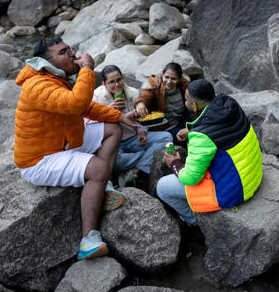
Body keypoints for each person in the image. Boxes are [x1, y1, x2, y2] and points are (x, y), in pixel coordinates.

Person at [14, 37, 139, 261]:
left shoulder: (53, 77)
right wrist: (88, 68)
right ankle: (88, 240)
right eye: (63, 52)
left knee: (112, 129)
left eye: (70, 48)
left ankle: (104, 187)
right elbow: (76, 103)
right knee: (98, 169)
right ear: (46, 61)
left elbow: (84, 107)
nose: (72, 54)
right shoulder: (37, 85)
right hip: (39, 159)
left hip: (61, 142)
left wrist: (119, 116)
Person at [157, 79, 263, 225]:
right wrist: (191, 130)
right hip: (253, 174)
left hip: (234, 190)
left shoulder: (202, 138)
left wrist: (175, 162)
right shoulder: (228, 103)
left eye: (186, 100)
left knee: (162, 187)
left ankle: (194, 220)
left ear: (193, 105)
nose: (185, 103)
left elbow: (190, 178)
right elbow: (220, 129)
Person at [91, 65, 172, 188]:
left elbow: (141, 118)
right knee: (116, 162)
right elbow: (90, 124)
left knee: (166, 137)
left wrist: (142, 132)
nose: (117, 84)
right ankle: (147, 158)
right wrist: (108, 111)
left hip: (134, 138)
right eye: (111, 82)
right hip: (114, 143)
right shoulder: (96, 97)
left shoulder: (133, 93)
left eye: (119, 80)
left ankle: (134, 170)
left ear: (123, 78)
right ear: (104, 83)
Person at [134, 62, 191, 139]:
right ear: (162, 75)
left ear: (179, 79)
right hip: (166, 126)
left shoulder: (182, 85)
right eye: (166, 77)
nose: (169, 81)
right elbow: (146, 95)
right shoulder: (156, 86)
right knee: (188, 136)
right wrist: (140, 103)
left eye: (173, 79)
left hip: (180, 119)